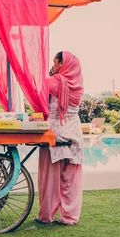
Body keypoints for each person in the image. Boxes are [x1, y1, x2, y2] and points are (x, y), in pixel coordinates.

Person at [36, 50, 84, 225]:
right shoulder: (78, 86)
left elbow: (37, 90)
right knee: (71, 178)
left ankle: (46, 215)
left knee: (49, 178)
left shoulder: (54, 82)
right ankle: (70, 217)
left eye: (55, 63)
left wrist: (48, 75)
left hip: (54, 134)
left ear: (62, 64)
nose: (53, 66)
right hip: (74, 134)